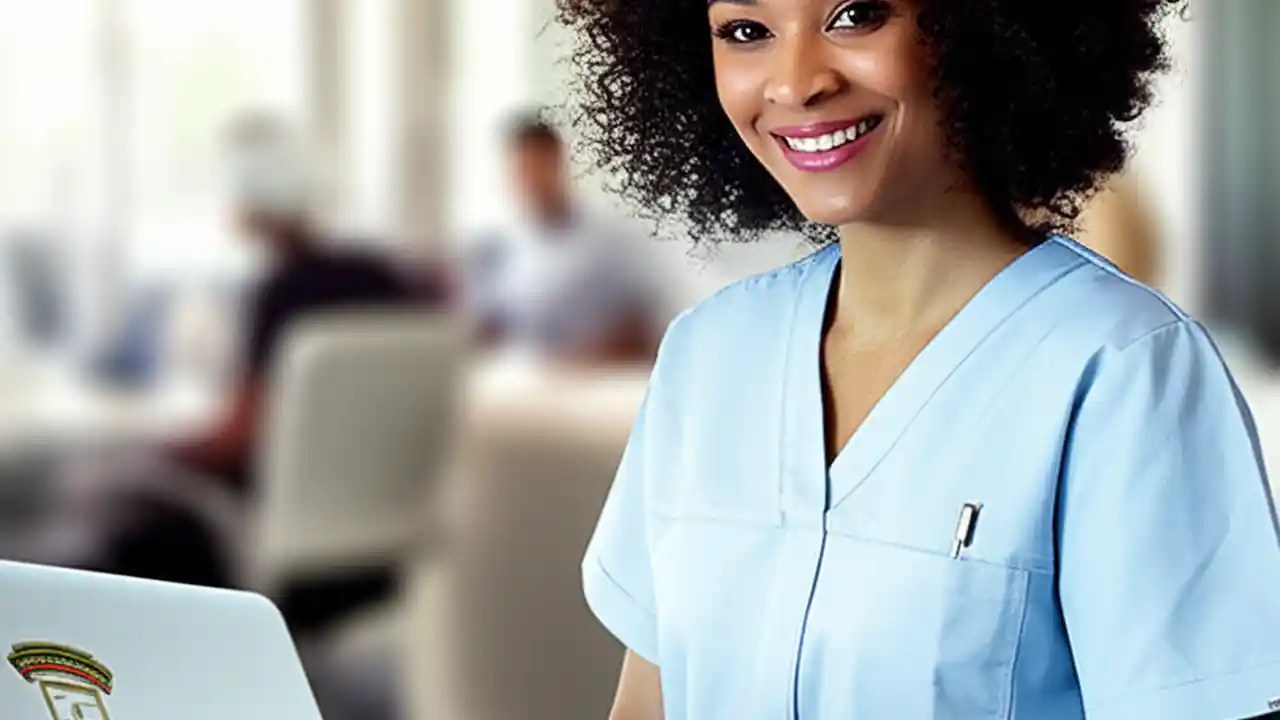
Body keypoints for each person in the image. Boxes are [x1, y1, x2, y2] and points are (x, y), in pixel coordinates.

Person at [558, 1, 1280, 718]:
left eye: (857, 15)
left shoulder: (1119, 367)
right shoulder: (708, 355)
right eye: (747, 32)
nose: (795, 82)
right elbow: (646, 702)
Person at [462, 114, 662, 365]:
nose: (531, 179)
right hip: (519, 382)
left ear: (558, 165)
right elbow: (484, 332)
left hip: (594, 378)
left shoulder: (608, 241)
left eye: (539, 166)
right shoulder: (495, 247)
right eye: (522, 169)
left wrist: (576, 363)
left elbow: (642, 329)